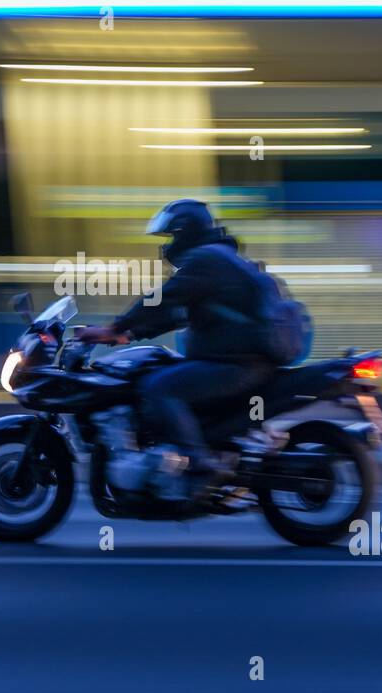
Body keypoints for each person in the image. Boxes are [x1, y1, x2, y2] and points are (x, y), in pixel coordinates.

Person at [78, 200, 279, 503]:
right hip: (240, 361)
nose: (168, 246)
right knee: (160, 372)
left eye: (172, 236)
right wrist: (129, 333)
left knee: (157, 388)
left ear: (185, 232)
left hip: (238, 365)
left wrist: (114, 327)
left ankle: (200, 465)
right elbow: (177, 313)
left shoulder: (206, 259)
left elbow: (163, 299)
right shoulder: (219, 258)